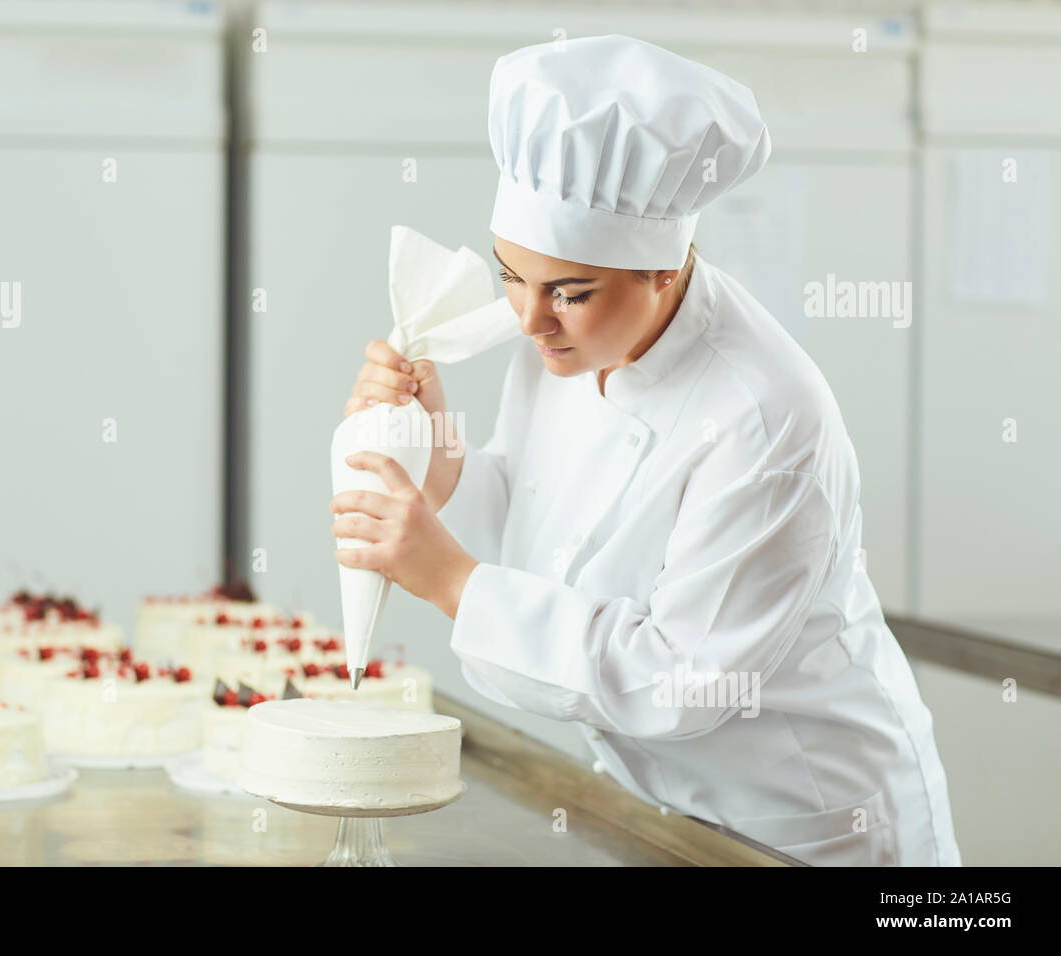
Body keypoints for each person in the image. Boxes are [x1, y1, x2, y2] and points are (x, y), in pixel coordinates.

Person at [329, 34, 959, 866]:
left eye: (570, 292)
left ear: (663, 270)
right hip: (660, 806)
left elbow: (681, 680)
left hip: (804, 821)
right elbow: (539, 512)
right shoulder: (561, 342)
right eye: (510, 274)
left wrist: (449, 581)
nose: (528, 318)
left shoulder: (764, 418)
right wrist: (438, 451)